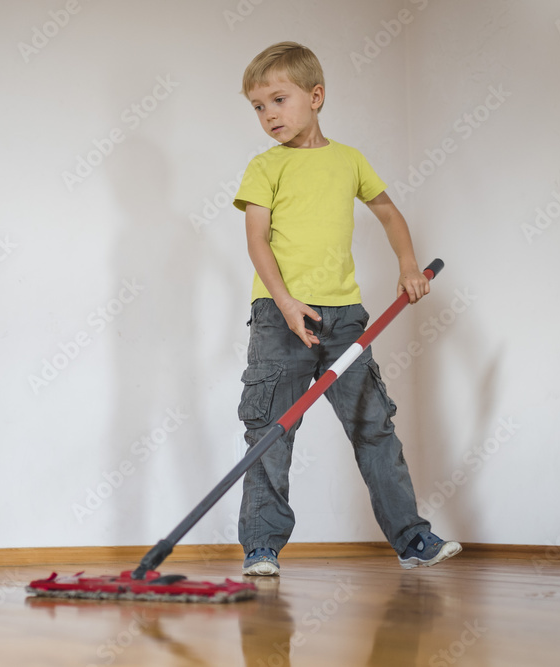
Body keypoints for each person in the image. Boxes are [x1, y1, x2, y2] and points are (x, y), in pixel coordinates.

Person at [232, 41, 461, 575]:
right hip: (280, 315)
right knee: (270, 429)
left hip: (347, 320)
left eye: (278, 100)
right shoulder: (264, 167)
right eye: (258, 107)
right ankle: (261, 547)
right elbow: (257, 242)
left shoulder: (349, 160)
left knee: (373, 427)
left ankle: (412, 539)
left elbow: (389, 213)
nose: (268, 115)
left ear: (316, 97)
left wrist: (408, 265)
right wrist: (287, 303)